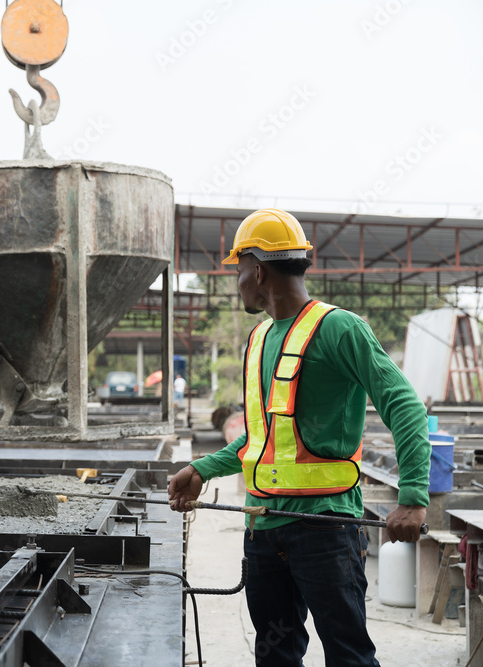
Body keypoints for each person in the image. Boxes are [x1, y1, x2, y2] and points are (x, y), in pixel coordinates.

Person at [167, 208, 429, 666]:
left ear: (259, 270)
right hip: (264, 528)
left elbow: (404, 405)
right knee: (276, 657)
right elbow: (261, 440)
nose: (238, 281)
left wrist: (412, 496)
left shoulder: (338, 329)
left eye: (239, 270)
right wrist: (202, 468)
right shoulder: (259, 339)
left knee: (348, 656)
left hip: (325, 531)